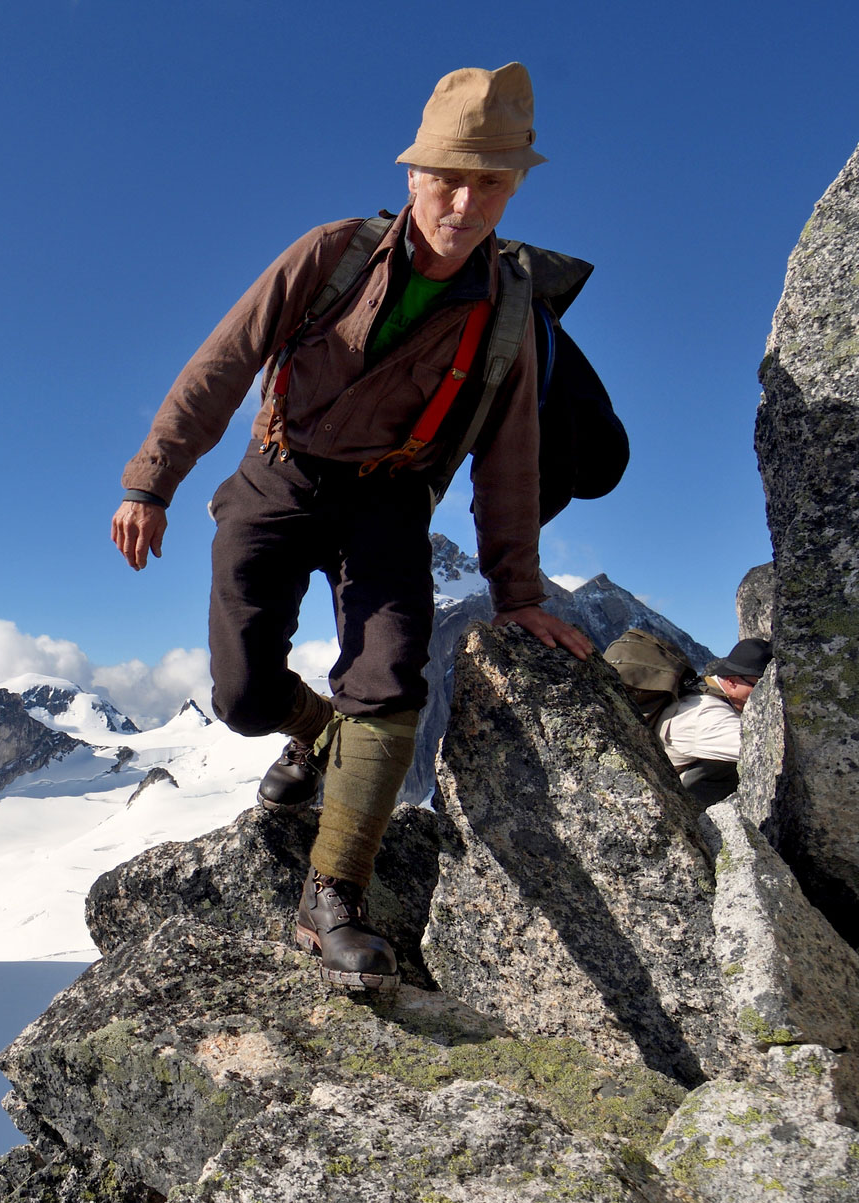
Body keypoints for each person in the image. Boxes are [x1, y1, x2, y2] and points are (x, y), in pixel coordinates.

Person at [110, 64, 592, 997]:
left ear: (514, 188)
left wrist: (519, 592)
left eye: (489, 181)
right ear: (413, 174)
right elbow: (224, 361)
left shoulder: (509, 312)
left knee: (393, 669)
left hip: (389, 497)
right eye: (448, 175)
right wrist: (153, 479)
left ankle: (332, 896)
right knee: (244, 695)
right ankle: (311, 731)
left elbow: (510, 459)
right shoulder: (330, 252)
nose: (463, 199)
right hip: (281, 470)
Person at [657, 638, 771, 808]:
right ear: (732, 681)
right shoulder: (708, 714)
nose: (766, 694)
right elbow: (763, 750)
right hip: (673, 804)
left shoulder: (707, 694)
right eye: (759, 685)